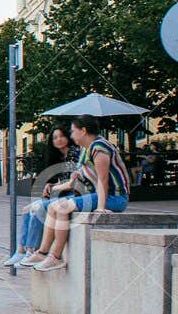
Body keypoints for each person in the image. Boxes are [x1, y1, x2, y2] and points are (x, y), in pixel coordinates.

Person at [23, 116, 130, 271]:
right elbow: (75, 181)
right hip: (96, 195)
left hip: (114, 198)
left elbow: (103, 180)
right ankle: (42, 252)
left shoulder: (99, 147)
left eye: (73, 131)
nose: (71, 135)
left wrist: (101, 208)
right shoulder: (86, 150)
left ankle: (55, 257)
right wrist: (54, 187)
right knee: (53, 206)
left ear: (83, 131)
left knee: (61, 208)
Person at [3, 127, 78, 268]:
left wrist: (54, 187)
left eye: (61, 136)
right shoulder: (59, 157)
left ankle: (31, 251)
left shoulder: (74, 153)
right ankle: (21, 250)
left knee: (38, 208)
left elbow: (73, 182)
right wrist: (51, 185)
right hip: (63, 193)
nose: (59, 139)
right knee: (26, 209)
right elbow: (65, 180)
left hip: (72, 195)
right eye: (55, 137)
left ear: (68, 137)